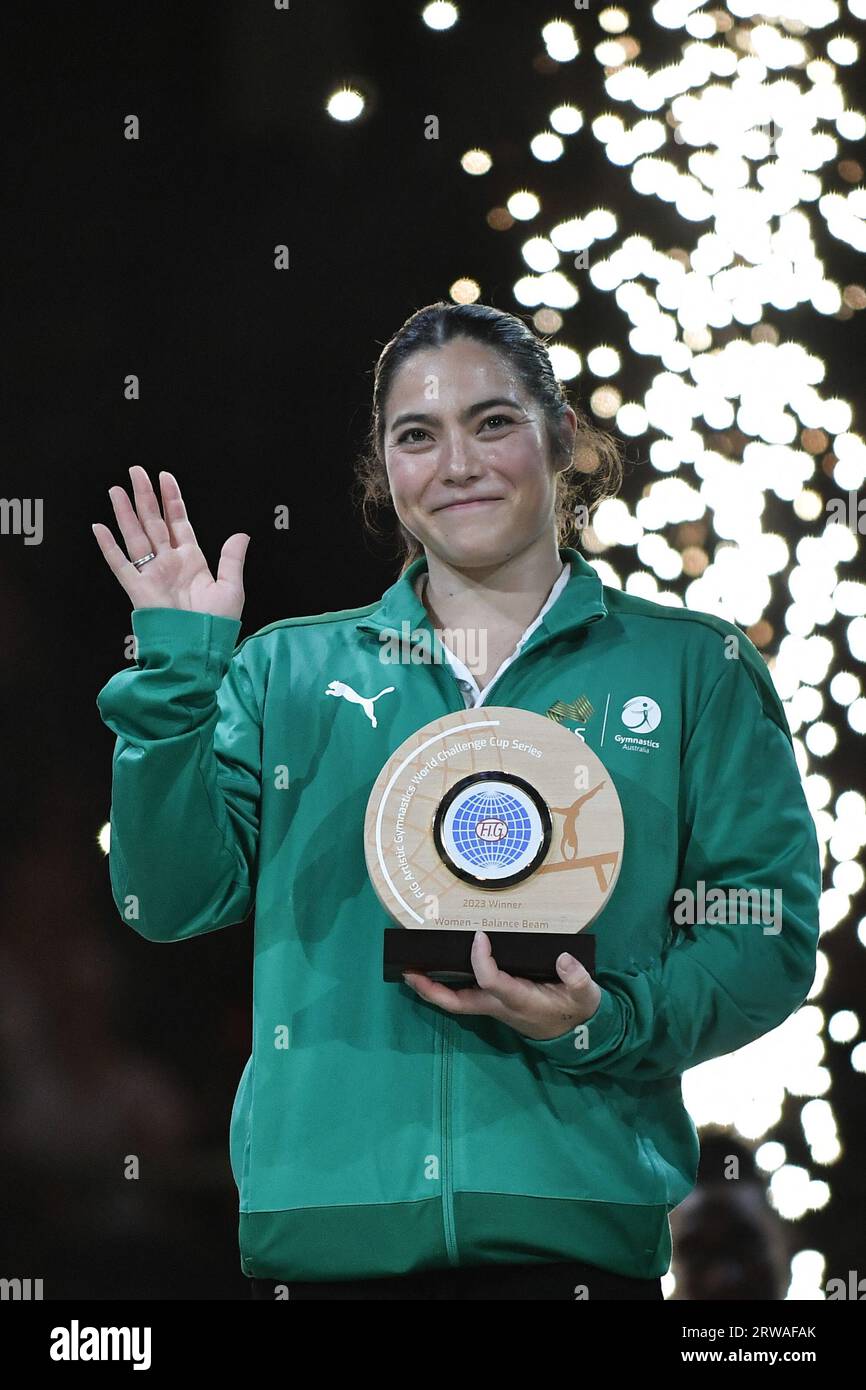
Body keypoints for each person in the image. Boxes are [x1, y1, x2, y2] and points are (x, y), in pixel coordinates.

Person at [92, 302, 821, 1301]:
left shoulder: (693, 666)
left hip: (572, 1246)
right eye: (416, 435)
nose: (457, 464)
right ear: (382, 469)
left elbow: (764, 932)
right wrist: (178, 676)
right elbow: (165, 901)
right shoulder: (289, 670)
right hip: (328, 1242)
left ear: (559, 438)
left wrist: (602, 1021)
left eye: (493, 422)